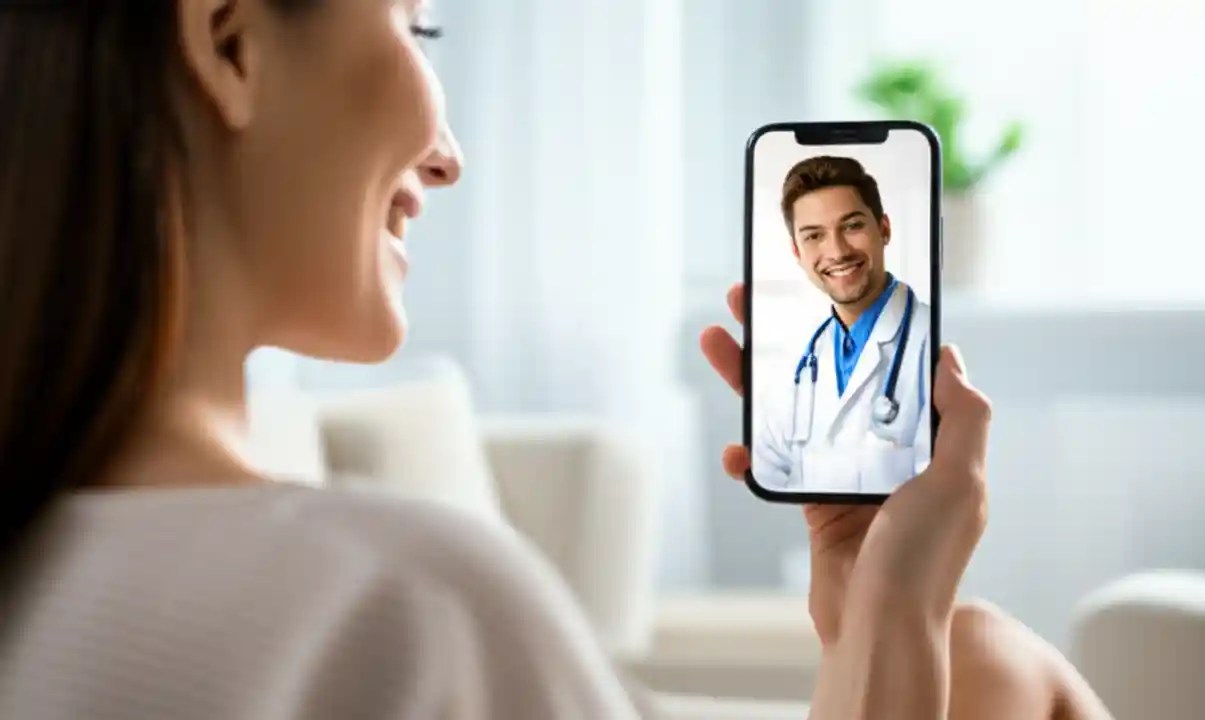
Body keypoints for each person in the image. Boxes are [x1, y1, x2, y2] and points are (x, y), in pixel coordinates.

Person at [0, 2, 1110, 718]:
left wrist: (879, 625)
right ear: (231, 43)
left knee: (984, 664)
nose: (448, 157)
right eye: (415, 27)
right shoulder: (394, 603)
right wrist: (900, 611)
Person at [754, 155, 931, 494]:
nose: (836, 251)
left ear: (885, 228)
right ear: (796, 251)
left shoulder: (935, 342)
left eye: (852, 226)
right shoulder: (795, 365)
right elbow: (770, 474)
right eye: (814, 236)